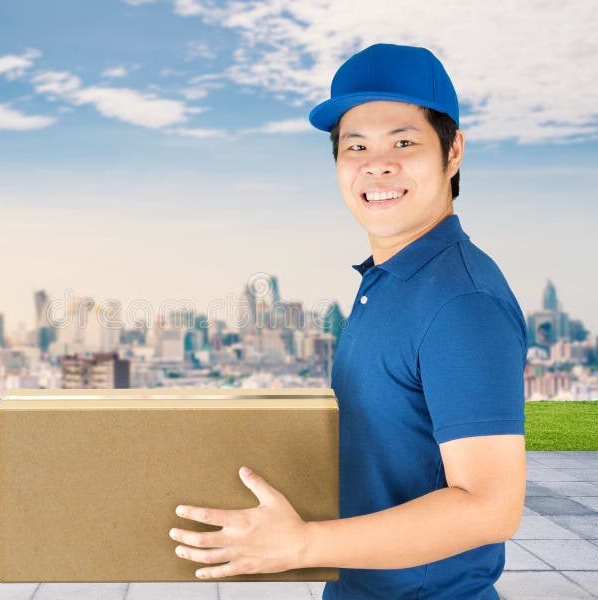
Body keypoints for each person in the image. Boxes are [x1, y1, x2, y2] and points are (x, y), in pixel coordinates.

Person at [169, 43, 527, 600]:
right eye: (355, 146)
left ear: (453, 151)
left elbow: (490, 508)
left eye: (403, 142)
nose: (376, 165)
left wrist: (303, 545)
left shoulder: (462, 302)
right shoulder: (390, 280)